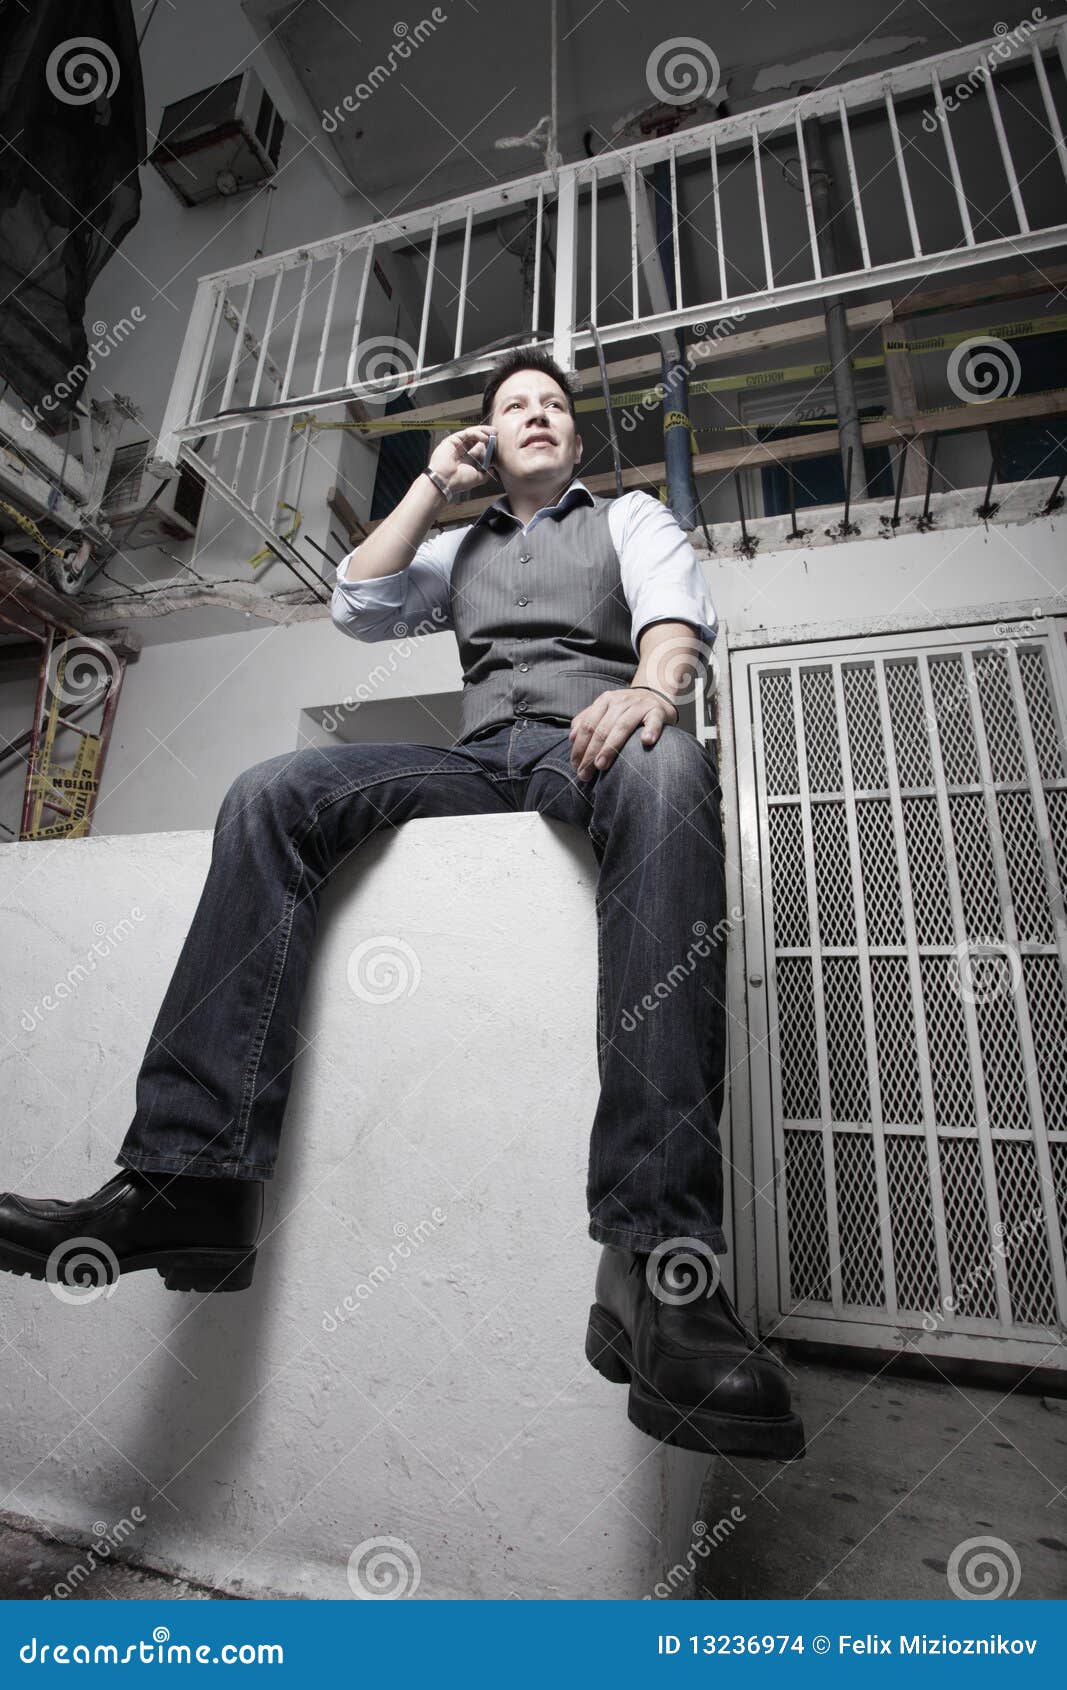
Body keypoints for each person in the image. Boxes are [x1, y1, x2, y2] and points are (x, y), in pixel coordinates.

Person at [0, 349, 804, 1461]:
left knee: (670, 769)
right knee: (274, 790)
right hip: (481, 756)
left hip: (596, 738)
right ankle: (191, 1180)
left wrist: (646, 691)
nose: (535, 415)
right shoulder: (455, 545)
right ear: (487, 438)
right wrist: (432, 481)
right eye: (513, 406)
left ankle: (658, 1258)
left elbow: (671, 627)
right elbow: (356, 605)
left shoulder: (625, 520)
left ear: (575, 440)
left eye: (553, 407)